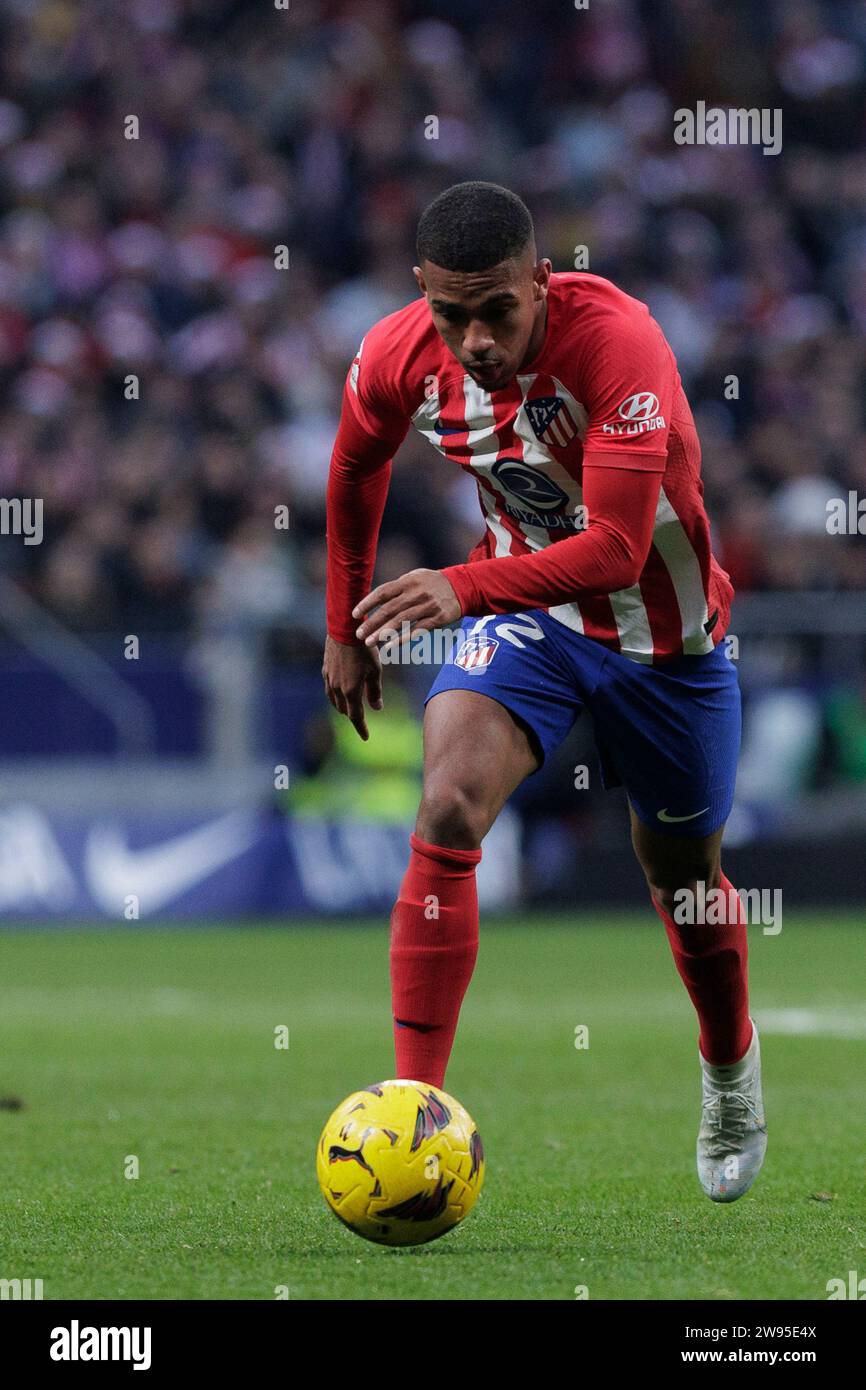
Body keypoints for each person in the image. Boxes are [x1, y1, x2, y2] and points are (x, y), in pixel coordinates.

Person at [322, 181, 766, 1203]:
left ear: (539, 279)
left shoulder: (619, 344)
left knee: (683, 878)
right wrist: (343, 624)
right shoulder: (397, 353)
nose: (472, 338)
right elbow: (353, 472)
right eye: (450, 313)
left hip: (668, 645)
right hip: (527, 621)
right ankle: (412, 1113)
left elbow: (614, 549)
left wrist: (457, 585)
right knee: (444, 803)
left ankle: (728, 1069)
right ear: (420, 293)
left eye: (495, 310)